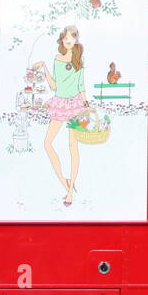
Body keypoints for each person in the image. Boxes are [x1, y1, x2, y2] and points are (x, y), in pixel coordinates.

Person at [33, 25, 91, 207]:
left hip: (74, 104)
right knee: (47, 143)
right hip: (60, 102)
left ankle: (70, 191)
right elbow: (54, 86)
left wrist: (86, 106)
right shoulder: (57, 59)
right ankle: (65, 184)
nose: (69, 40)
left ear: (76, 40)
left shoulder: (79, 60)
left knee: (73, 146)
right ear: (62, 39)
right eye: (66, 37)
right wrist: (44, 68)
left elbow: (81, 86)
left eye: (72, 37)